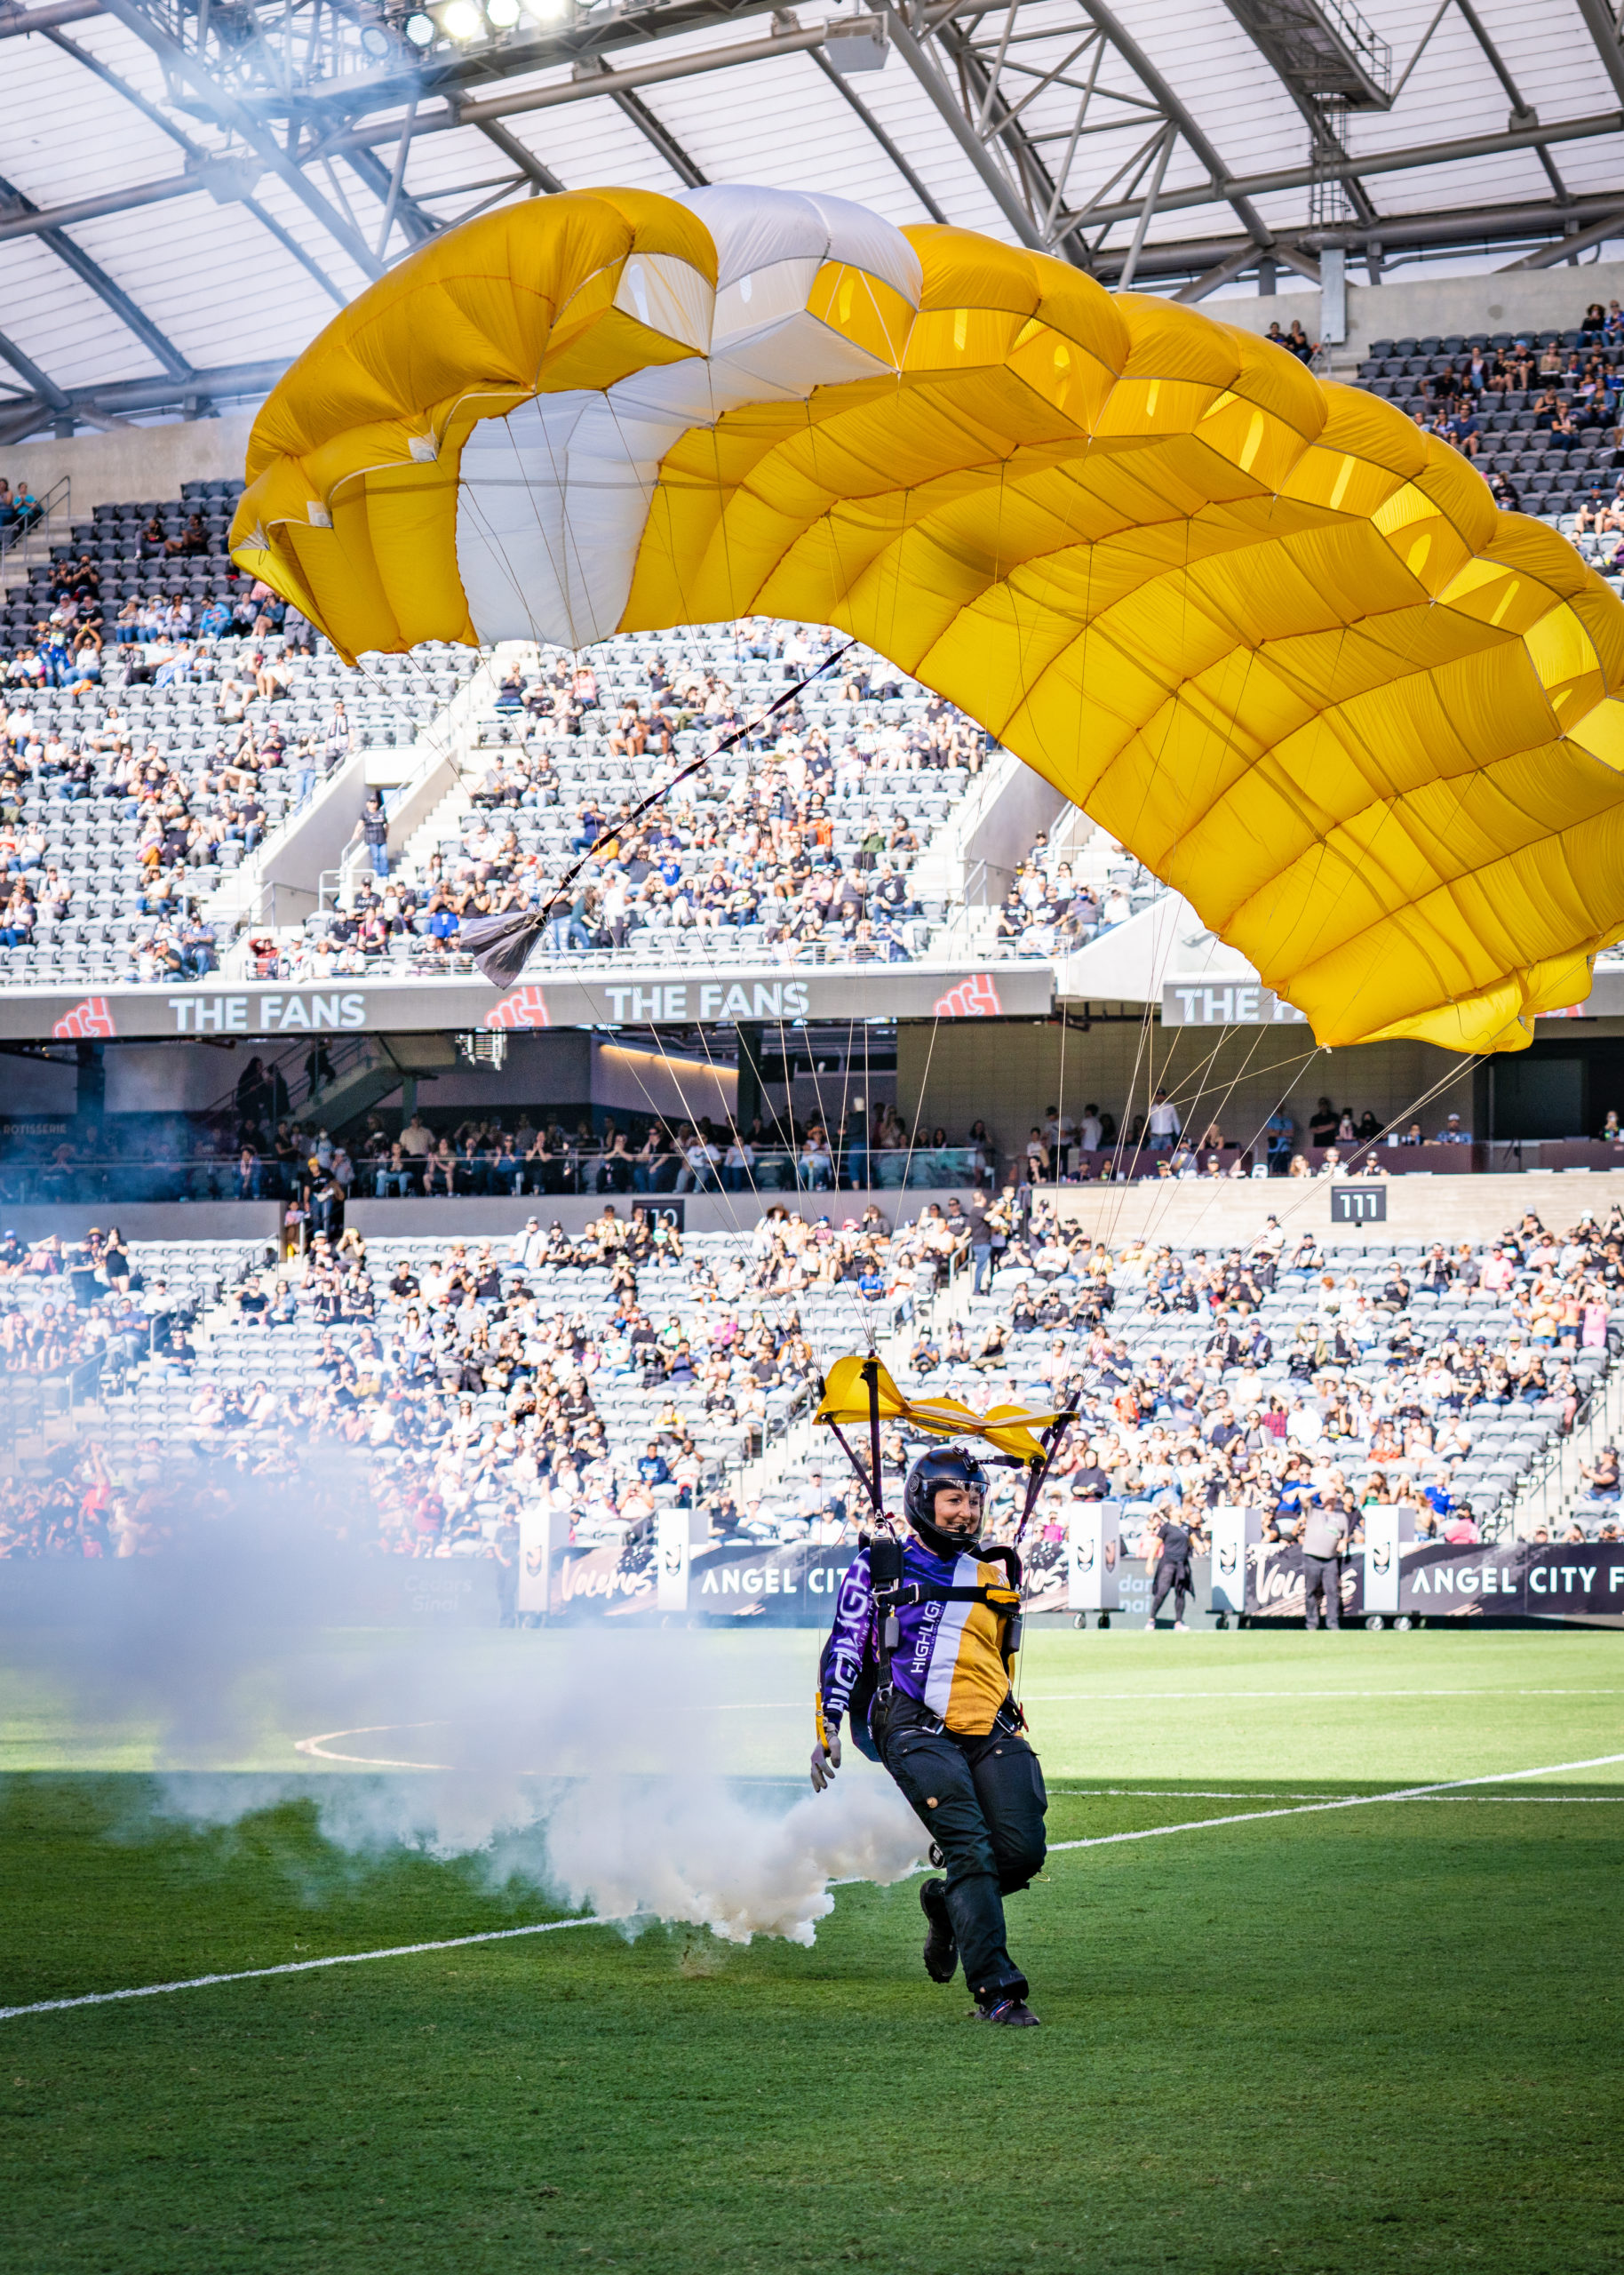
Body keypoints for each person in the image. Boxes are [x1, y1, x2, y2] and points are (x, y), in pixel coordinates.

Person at [809, 1445, 1046, 2026]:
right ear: (922, 1501)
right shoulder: (880, 1566)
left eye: (973, 1500)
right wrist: (829, 1726)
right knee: (969, 1844)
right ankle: (998, 1991)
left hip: (987, 1724)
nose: (965, 1512)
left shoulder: (992, 1571)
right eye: (953, 1500)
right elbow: (844, 1643)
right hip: (910, 1723)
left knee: (1019, 1853)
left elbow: (1001, 1657)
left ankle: (945, 1906)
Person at [1145, 1507, 1197, 1631]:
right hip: (1168, 1562)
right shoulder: (1166, 1528)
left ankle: (1179, 1622)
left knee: (1180, 1593)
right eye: (1176, 1508)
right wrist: (1149, 1562)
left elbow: (1194, 1541)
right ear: (1171, 1513)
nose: (1180, 1509)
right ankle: (1151, 1620)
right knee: (1162, 1591)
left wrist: (1200, 1546)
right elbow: (1156, 1545)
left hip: (1182, 1564)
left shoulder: (1186, 1527)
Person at [1299, 1499, 1347, 1630]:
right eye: (1329, 1498)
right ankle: (1311, 1624)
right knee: (1311, 1591)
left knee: (1332, 1591)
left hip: (1331, 1558)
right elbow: (1303, 1497)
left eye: (1333, 1498)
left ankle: (1333, 1624)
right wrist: (1321, 1487)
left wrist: (1344, 1541)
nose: (1331, 1501)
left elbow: (1345, 1535)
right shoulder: (1314, 1511)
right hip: (1311, 1557)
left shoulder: (1341, 1516)